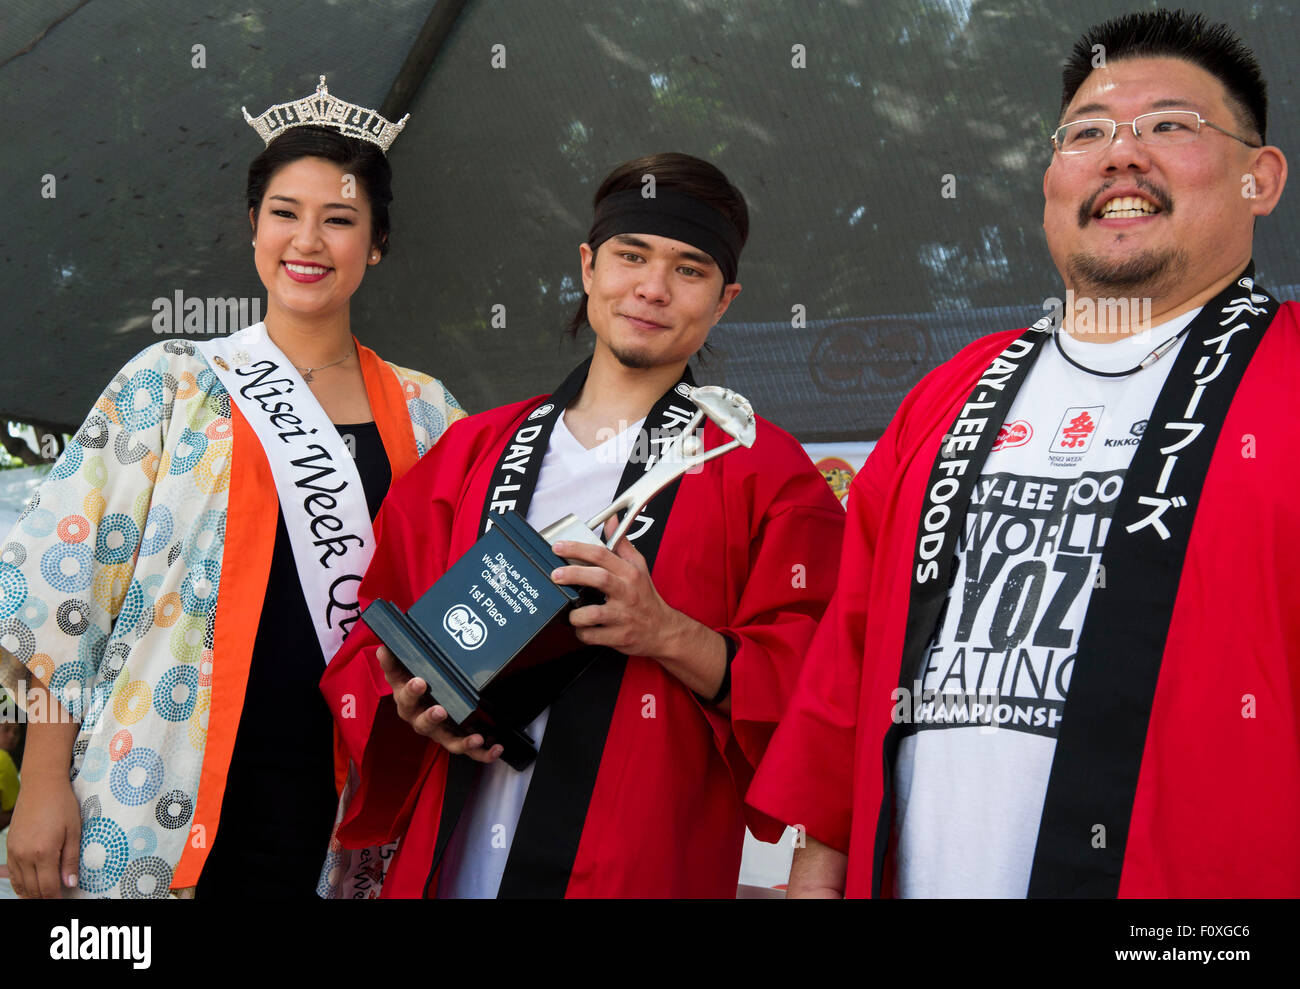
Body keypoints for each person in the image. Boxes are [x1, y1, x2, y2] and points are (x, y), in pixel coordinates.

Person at [748, 8, 1295, 898]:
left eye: (1169, 125)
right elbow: (852, 647)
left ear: (1259, 179)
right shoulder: (951, 392)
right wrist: (819, 860)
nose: (1122, 153)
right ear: (1048, 179)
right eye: (1087, 133)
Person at [319, 152, 845, 898]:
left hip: (638, 868)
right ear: (589, 266)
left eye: (689, 269)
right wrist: (406, 698)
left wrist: (667, 631)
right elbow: (371, 639)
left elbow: (823, 691)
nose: (652, 288)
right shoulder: (473, 450)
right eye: (631, 256)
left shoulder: (767, 473)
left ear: (724, 300)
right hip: (450, 860)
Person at [0, 77, 465, 898]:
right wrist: (41, 780)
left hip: (345, 812)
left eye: (341, 219)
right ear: (253, 225)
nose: (307, 240)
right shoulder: (172, 382)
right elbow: (63, 594)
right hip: (147, 788)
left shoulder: (431, 417)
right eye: (285, 211)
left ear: (378, 243)